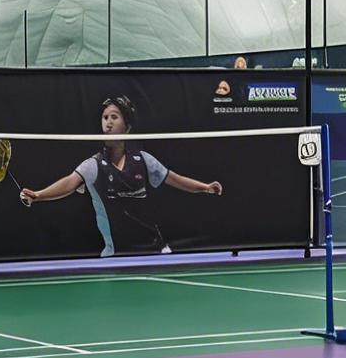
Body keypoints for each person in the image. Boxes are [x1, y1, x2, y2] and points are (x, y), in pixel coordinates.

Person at [16, 97, 223, 256]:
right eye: (105, 118)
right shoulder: (93, 166)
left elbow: (174, 178)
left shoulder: (144, 160)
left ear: (127, 126)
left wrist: (204, 187)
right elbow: (69, 183)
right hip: (116, 255)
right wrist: (38, 195)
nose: (108, 123)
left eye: (114, 117)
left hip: (154, 252)